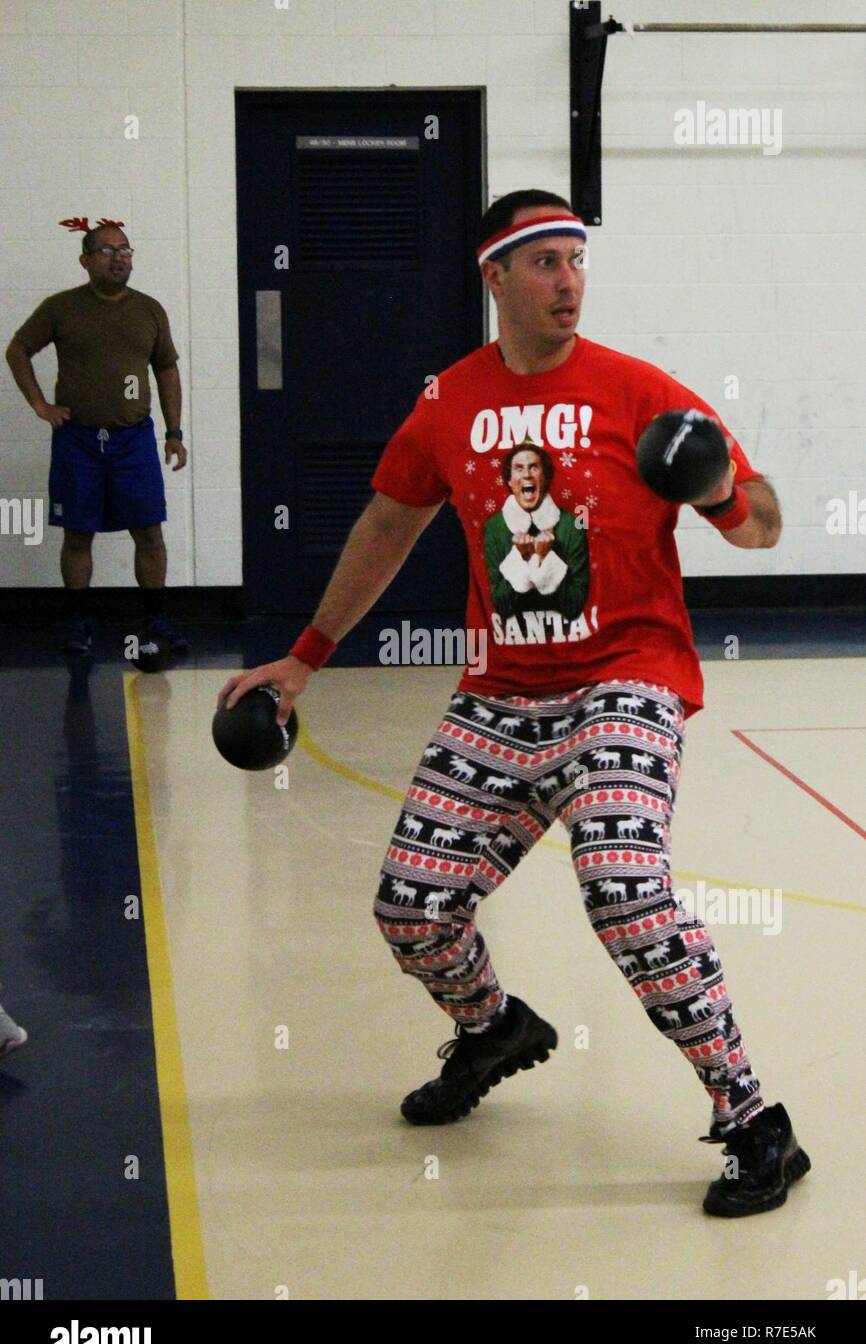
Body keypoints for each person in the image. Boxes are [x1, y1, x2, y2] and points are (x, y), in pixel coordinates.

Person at [219, 190, 809, 1218]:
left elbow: (762, 522)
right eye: (543, 262)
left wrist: (716, 490)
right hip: (499, 696)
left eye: (575, 260)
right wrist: (305, 657)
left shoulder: (637, 390)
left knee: (624, 890)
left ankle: (754, 1119)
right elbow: (388, 523)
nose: (567, 281)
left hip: (625, 681)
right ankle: (493, 1027)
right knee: (410, 908)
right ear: (494, 276)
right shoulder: (448, 401)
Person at [5, 217, 189, 653]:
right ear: (85, 260)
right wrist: (40, 406)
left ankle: (156, 620)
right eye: (107, 251)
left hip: (133, 441)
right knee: (77, 534)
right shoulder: (60, 308)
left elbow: (166, 369)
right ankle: (78, 624)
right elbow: (18, 350)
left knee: (149, 532)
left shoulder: (149, 310)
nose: (118, 258)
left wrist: (174, 432)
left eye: (125, 250)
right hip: (78, 441)